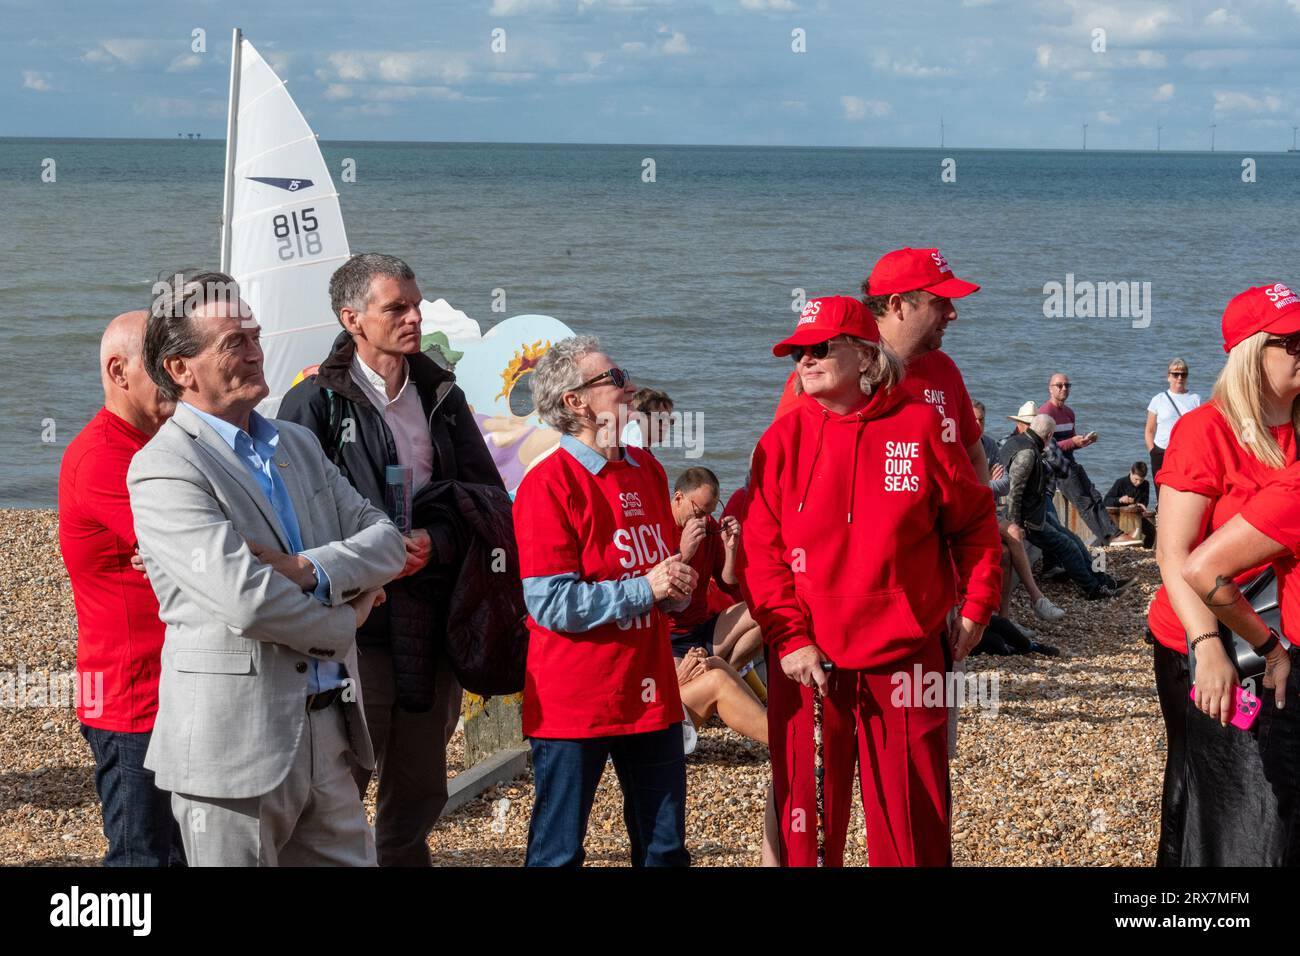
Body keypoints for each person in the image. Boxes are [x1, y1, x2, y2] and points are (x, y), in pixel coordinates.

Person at [128, 271, 406, 866]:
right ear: (181, 369)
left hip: (329, 737)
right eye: (234, 342)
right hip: (233, 753)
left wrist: (308, 568)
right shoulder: (165, 468)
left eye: (255, 335)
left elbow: (388, 541)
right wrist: (347, 619)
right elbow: (247, 600)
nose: (256, 351)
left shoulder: (296, 445)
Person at [741, 295, 1003, 867]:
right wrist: (788, 637)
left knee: (913, 824)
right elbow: (762, 556)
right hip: (806, 660)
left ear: (864, 356)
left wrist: (977, 606)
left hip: (906, 656)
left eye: (819, 349)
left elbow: (975, 523)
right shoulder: (780, 441)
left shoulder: (920, 425)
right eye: (796, 353)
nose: (804, 362)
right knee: (806, 829)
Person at [278, 253, 504, 866]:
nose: (413, 317)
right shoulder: (312, 403)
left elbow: (486, 499)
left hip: (434, 616)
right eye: (396, 308)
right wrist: (365, 562)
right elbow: (288, 516)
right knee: (339, 782)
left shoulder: (441, 393)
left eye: (416, 304)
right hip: (355, 627)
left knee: (422, 786)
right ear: (352, 318)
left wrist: (438, 541)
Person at [513, 335, 698, 867]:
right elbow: (549, 603)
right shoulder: (548, 484)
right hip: (576, 701)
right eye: (614, 380)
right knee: (559, 854)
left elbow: (659, 580)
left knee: (664, 850)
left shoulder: (647, 468)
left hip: (651, 691)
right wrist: (648, 589)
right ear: (575, 402)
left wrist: (673, 593)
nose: (629, 386)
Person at [1148, 281, 1300, 866]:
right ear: (1251, 353)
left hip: (1276, 628)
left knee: (1239, 789)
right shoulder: (1205, 431)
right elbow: (1173, 554)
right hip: (1207, 629)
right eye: (1293, 342)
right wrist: (1205, 643)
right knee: (1227, 786)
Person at [58, 310, 181, 867]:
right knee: (141, 857)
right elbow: (193, 547)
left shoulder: (159, 443)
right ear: (119, 371)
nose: (178, 376)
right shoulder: (104, 456)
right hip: (129, 698)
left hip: (168, 686)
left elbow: (193, 545)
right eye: (162, 366)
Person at [1000, 410, 1130, 601]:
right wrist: (1016, 526)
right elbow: (1015, 492)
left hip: (1036, 513)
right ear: (1050, 435)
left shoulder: (1017, 442)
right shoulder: (1028, 452)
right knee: (1067, 546)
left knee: (1074, 540)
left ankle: (1102, 581)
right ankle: (1093, 589)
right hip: (1028, 521)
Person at [974, 400, 1065, 625]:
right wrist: (985, 482)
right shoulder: (959, 447)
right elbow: (964, 490)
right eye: (973, 419)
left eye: (982, 419)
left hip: (991, 512)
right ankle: (1037, 598)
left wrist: (981, 484)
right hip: (972, 513)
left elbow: (1004, 484)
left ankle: (1004, 619)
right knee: (1017, 531)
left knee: (1005, 554)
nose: (978, 424)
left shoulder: (990, 445)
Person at [668, 466, 763, 671]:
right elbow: (656, 592)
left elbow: (728, 583)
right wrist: (684, 553)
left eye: (710, 513)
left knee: (764, 611)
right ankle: (716, 674)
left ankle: (728, 671)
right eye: (699, 512)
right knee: (684, 693)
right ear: (678, 499)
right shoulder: (657, 526)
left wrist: (731, 548)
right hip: (670, 637)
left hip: (701, 627)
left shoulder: (709, 526)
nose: (703, 520)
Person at [1039, 373, 1142, 547]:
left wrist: (1083, 442)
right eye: (1059, 385)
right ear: (1050, 389)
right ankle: (1109, 537)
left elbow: (1070, 443)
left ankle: (1114, 533)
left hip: (1070, 461)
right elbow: (1046, 446)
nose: (1064, 388)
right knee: (1084, 502)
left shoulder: (1069, 413)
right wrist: (1073, 441)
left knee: (1095, 495)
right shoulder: (1045, 413)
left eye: (1067, 385)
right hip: (1057, 468)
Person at [1145, 358, 1201, 504]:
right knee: (1161, 491)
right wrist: (1152, 451)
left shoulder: (1195, 399)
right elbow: (1149, 430)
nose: (1180, 377)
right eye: (1176, 374)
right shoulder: (1158, 399)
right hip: (1161, 450)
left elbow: (1199, 429)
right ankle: (1161, 520)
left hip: (1185, 452)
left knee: (1182, 490)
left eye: (1183, 374)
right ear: (1168, 376)